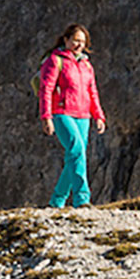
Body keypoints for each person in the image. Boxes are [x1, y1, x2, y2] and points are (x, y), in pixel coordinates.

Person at [37, 24, 105, 207]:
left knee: (75, 156)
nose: (79, 45)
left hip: (84, 116)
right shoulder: (55, 60)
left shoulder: (87, 65)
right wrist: (46, 117)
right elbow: (46, 90)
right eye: (75, 40)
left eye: (82, 42)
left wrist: (99, 116)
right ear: (66, 40)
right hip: (62, 113)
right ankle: (82, 199)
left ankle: (56, 201)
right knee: (76, 151)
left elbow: (93, 92)